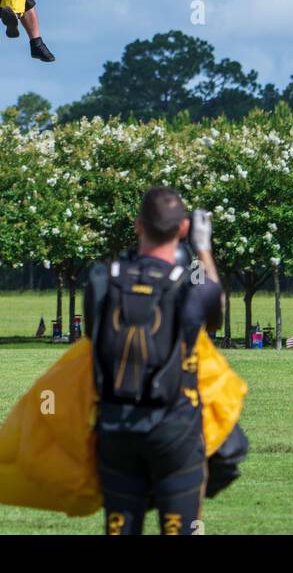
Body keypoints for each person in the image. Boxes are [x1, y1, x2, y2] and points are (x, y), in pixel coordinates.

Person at [84, 187, 224, 536]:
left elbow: (94, 336)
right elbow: (217, 311)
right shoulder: (189, 287)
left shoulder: (102, 281)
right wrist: (202, 248)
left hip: (116, 427)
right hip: (174, 430)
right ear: (182, 229)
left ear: (137, 225)